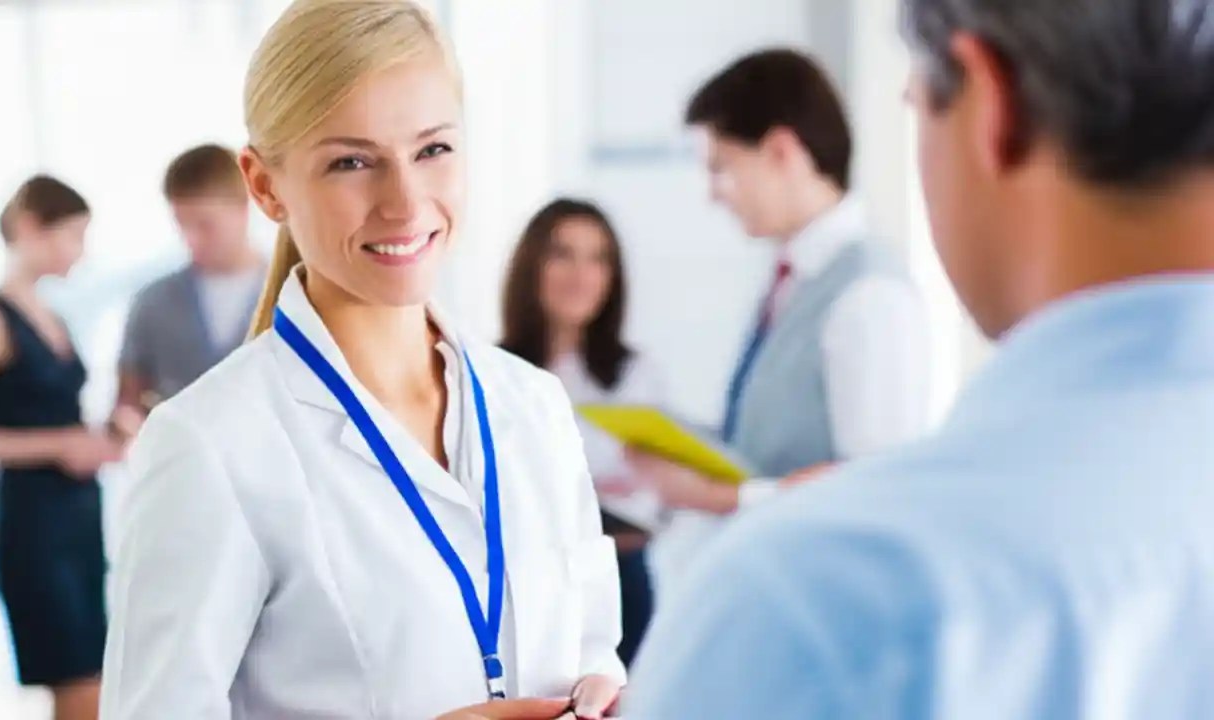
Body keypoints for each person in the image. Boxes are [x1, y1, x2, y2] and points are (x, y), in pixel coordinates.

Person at [626, 0, 1214, 716]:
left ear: (994, 106)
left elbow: (872, 461)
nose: (714, 193)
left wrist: (730, 501)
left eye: (917, 108)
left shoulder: (816, 606)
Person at [100, 2, 624, 719]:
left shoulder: (533, 404)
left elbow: (594, 651)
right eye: (351, 162)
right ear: (265, 186)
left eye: (433, 150)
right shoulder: (209, 445)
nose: (404, 203)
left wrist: (602, 692)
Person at [630, 48, 932, 593]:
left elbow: (877, 484)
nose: (713, 194)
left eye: (721, 168)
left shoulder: (869, 293)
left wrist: (720, 497)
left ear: (780, 151)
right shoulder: (792, 278)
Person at [0, 175, 122, 720]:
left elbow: (57, 415)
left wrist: (102, 434)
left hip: (79, 515)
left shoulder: (54, 315)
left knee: (96, 679)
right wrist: (59, 445)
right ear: (28, 228)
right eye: (72, 236)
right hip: (35, 522)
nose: (80, 252)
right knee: (77, 682)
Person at [500, 198, 666, 668]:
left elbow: (655, 491)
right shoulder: (493, 373)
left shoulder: (635, 374)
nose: (581, 275)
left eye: (598, 259)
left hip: (619, 576)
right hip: (526, 583)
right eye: (563, 255)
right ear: (532, 266)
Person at [114, 143, 266, 426]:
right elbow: (127, 402)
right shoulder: (152, 303)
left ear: (245, 206)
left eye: (205, 225)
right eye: (182, 224)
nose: (191, 239)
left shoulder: (296, 294)